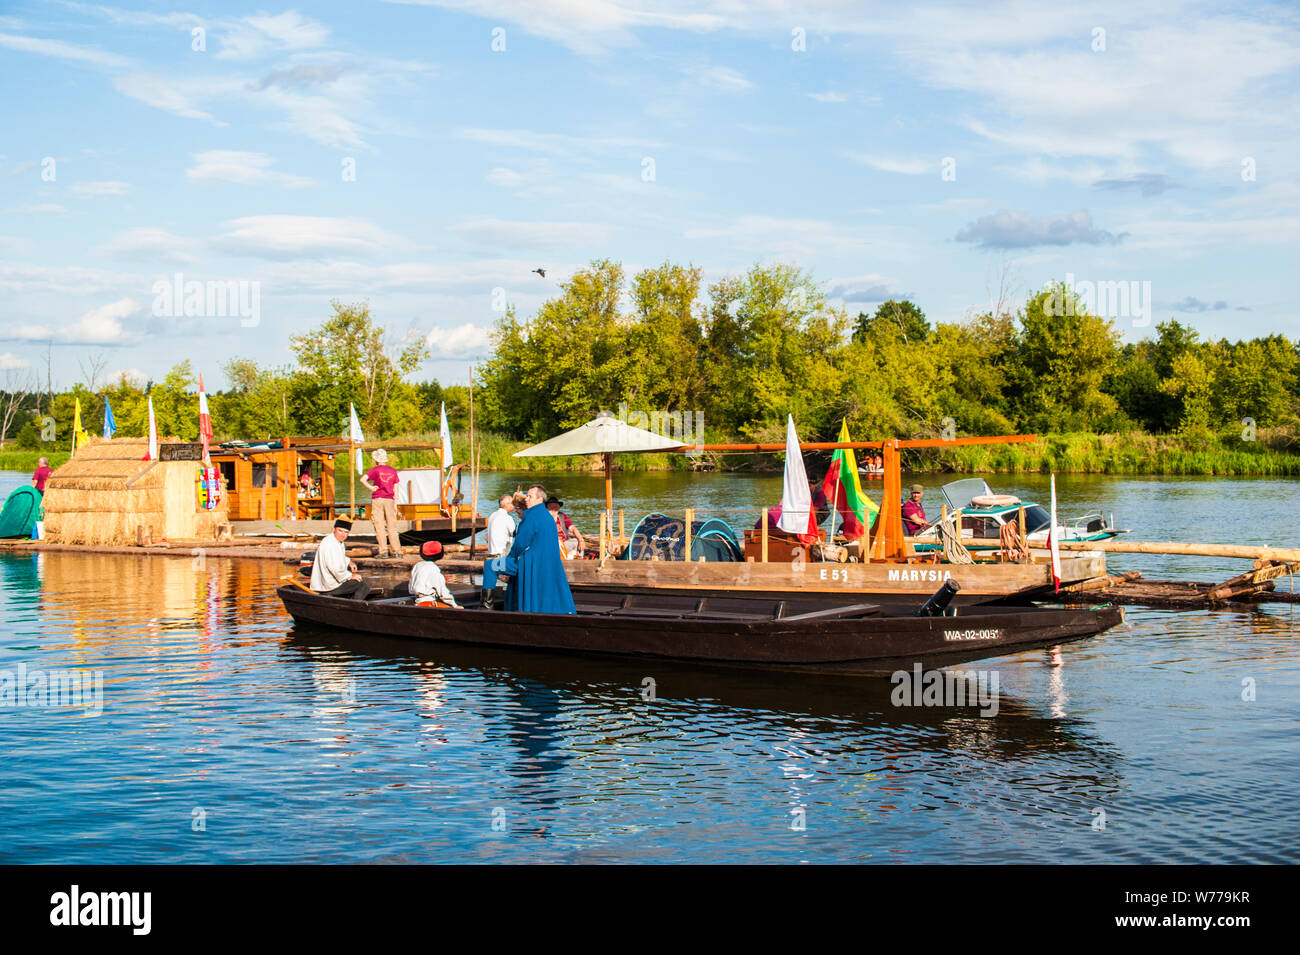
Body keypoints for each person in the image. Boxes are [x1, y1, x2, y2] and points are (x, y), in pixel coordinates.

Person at [500, 484, 576, 614]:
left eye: (530, 496)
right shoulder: (545, 517)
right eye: (527, 496)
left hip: (529, 563)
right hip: (542, 562)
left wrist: (508, 561)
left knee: (490, 567)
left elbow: (520, 544)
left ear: (540, 500)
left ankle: (487, 606)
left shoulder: (533, 517)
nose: (526, 499)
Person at [310, 517, 371, 600]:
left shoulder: (336, 541)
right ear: (334, 529)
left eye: (346, 532)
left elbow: (338, 556)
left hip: (329, 583)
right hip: (328, 586)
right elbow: (334, 569)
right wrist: (350, 576)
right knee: (363, 586)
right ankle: (353, 608)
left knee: (358, 581)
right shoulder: (329, 544)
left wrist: (349, 562)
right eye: (340, 531)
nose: (343, 534)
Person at [361, 448, 402, 559]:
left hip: (378, 499)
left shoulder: (375, 470)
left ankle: (383, 551)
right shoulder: (393, 471)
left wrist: (371, 487)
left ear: (376, 459)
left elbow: (363, 479)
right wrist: (395, 503)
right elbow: (396, 487)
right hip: (390, 499)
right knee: (392, 527)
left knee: (379, 526)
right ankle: (397, 551)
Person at [410, 541, 462, 608]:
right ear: (440, 554)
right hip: (430, 603)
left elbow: (411, 588)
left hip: (418, 602)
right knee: (459, 607)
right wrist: (454, 605)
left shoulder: (417, 565)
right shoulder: (433, 569)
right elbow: (443, 592)